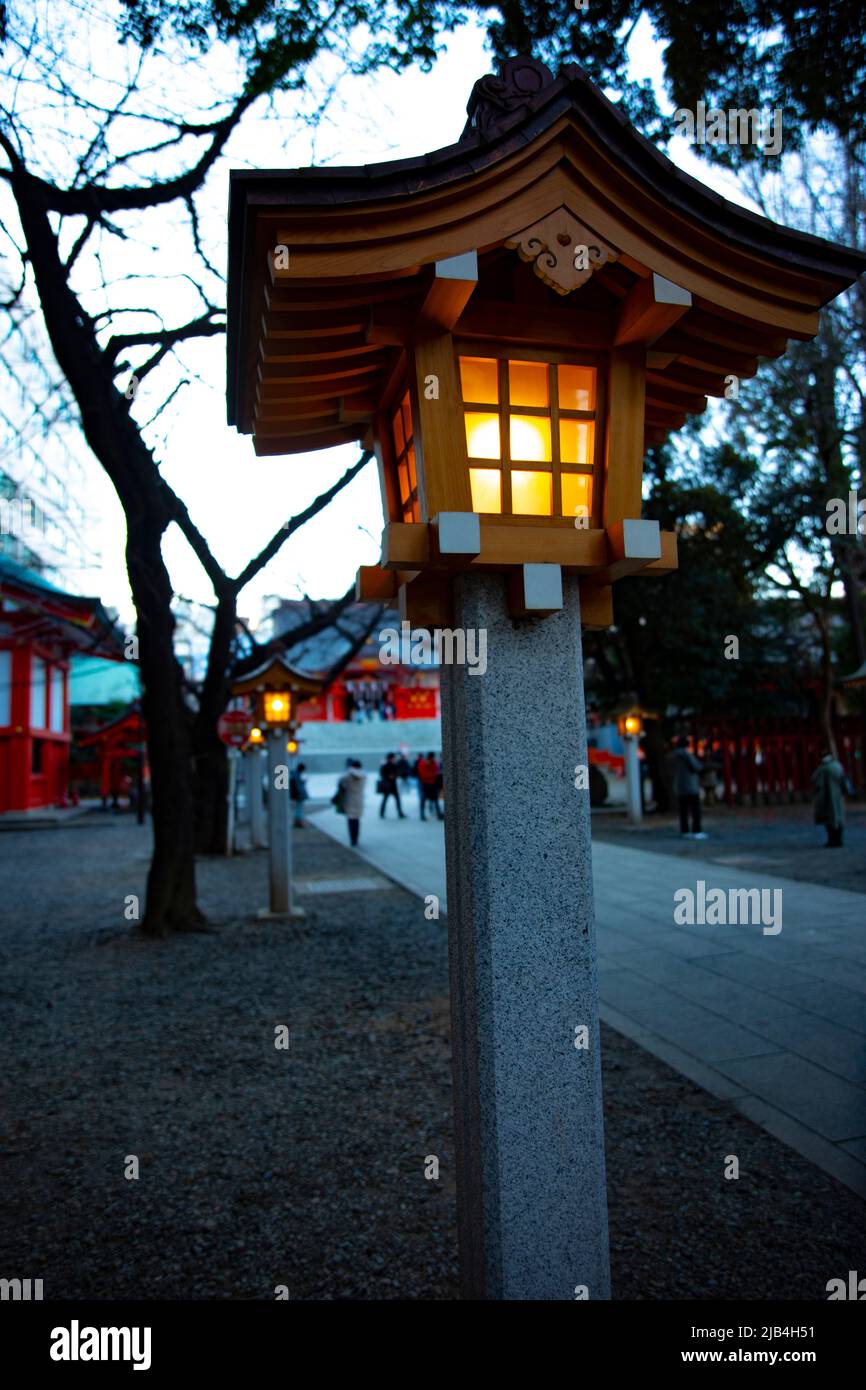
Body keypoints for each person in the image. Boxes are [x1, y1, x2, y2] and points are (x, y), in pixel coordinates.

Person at [671, 735, 707, 840]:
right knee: (695, 810)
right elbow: (696, 767)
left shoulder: (673, 756)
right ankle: (697, 830)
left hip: (679, 786)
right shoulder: (687, 755)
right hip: (690, 785)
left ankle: (685, 830)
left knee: (683, 810)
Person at [811, 748, 846, 847]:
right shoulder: (837, 766)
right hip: (837, 796)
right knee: (838, 817)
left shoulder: (822, 768)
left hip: (826, 797)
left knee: (829, 819)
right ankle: (839, 839)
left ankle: (832, 840)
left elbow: (816, 781)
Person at [337, 759, 366, 846]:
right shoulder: (364, 776)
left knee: (350, 820)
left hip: (349, 800)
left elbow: (341, 784)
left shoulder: (347, 777)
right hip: (359, 800)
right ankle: (356, 838)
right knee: (357, 820)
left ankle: (352, 839)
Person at [417, 751, 443, 821]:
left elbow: (436, 770)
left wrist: (433, 774)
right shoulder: (423, 763)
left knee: (435, 799)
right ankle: (422, 815)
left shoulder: (433, 762)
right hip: (425, 784)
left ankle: (438, 814)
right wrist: (433, 774)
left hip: (432, 784)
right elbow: (423, 774)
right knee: (424, 799)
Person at [378, 752, 405, 819]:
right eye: (391, 758)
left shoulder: (394, 765)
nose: (392, 759)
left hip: (393, 785)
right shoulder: (384, 766)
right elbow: (382, 775)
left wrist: (394, 775)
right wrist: (389, 776)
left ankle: (400, 813)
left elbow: (398, 772)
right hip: (387, 785)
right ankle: (382, 813)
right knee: (385, 799)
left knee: (397, 799)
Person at [289, 762, 308, 828]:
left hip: (295, 794)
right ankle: (298, 822)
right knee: (299, 808)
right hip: (298, 795)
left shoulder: (294, 775)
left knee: (298, 808)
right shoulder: (297, 776)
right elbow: (299, 787)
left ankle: (297, 821)